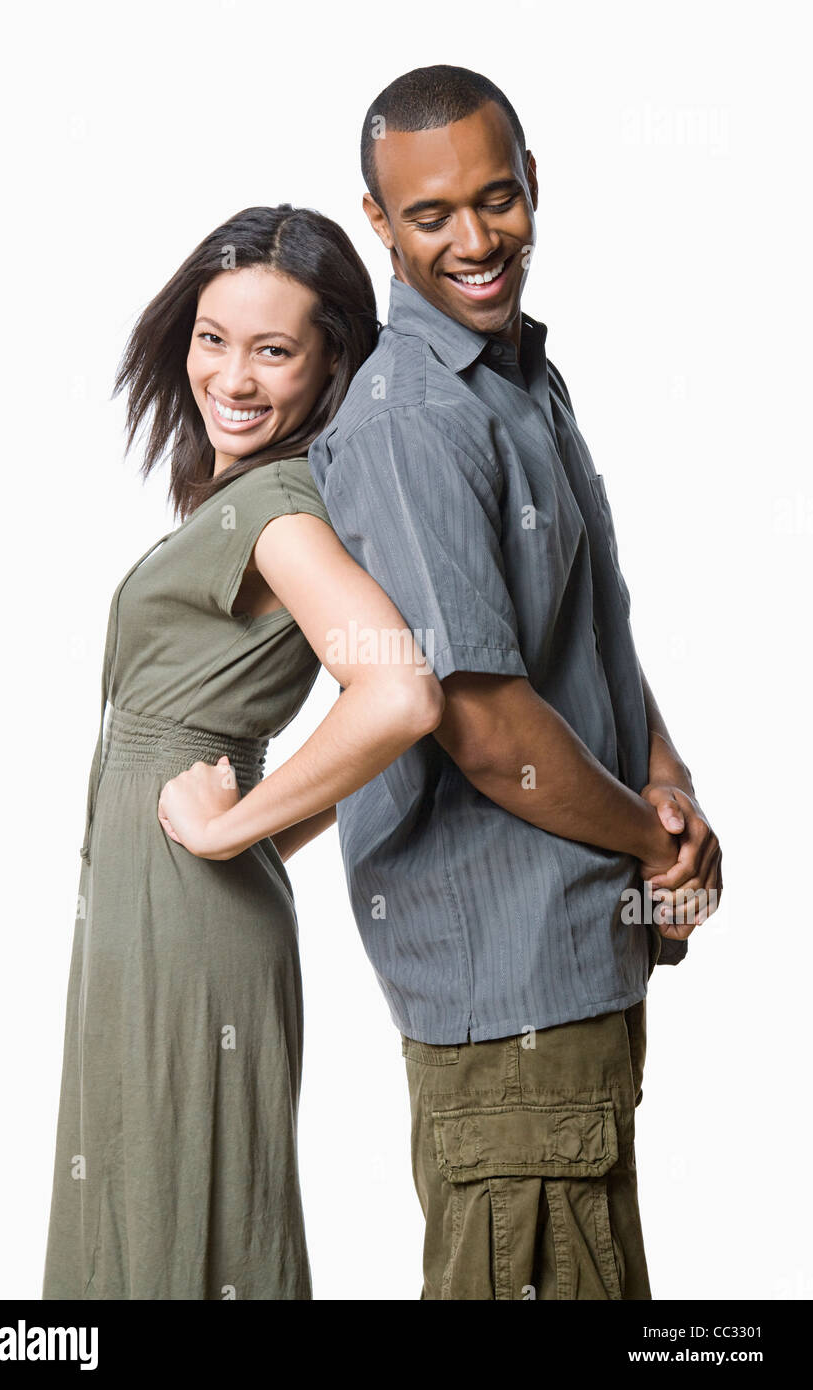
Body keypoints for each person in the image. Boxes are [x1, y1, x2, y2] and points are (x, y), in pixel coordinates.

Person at [308, 66, 723, 1300]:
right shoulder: (405, 420)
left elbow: (582, 630)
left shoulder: (523, 377)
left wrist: (666, 774)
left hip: (574, 966)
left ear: (534, 182)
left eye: (497, 198)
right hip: (504, 1000)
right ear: (377, 223)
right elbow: (486, 727)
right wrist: (652, 844)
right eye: (430, 215)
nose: (475, 239)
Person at [42, 203, 444, 1301]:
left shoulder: (274, 508)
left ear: (328, 368)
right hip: (162, 896)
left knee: (179, 1197)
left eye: (274, 349)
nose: (234, 375)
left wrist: (233, 827)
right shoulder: (235, 500)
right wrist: (251, 831)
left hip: (185, 912)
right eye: (213, 337)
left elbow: (399, 692)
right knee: (137, 1183)